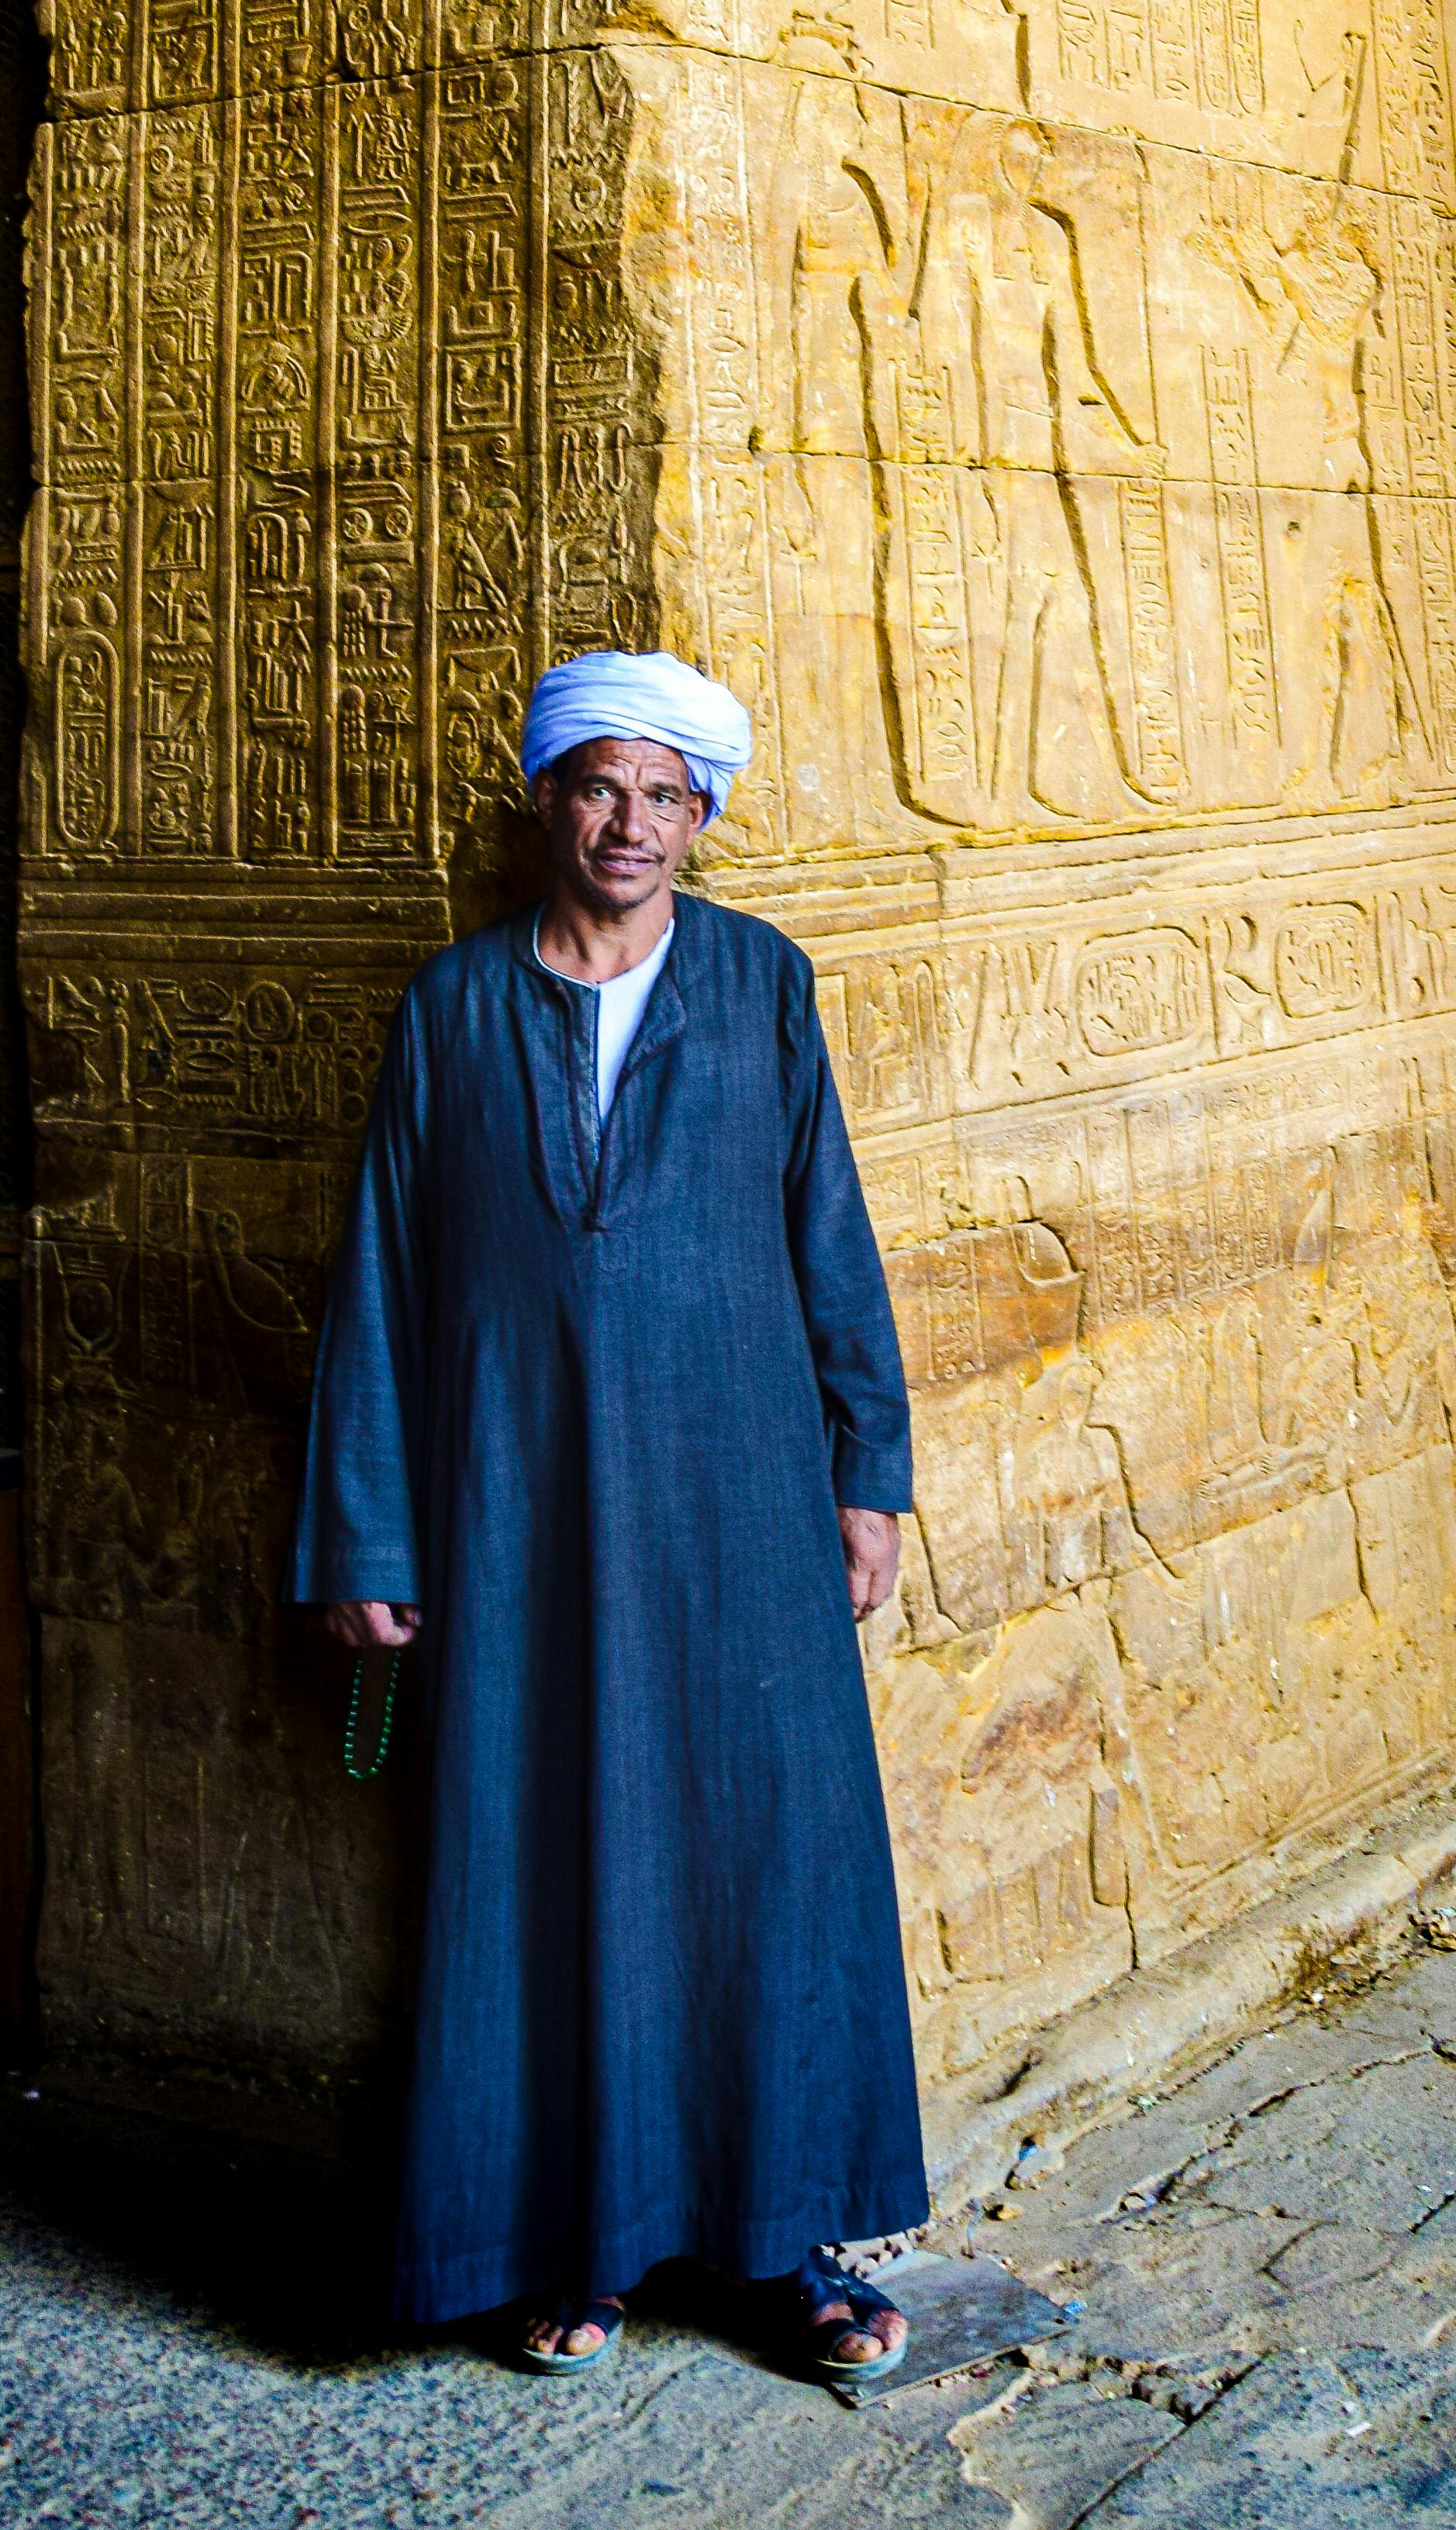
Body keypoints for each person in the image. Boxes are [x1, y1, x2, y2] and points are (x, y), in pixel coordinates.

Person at [288, 648, 928, 2381]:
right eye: (597, 787)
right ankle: (572, 2247)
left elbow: (830, 1246)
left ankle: (782, 2247)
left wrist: (867, 1470)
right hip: (519, 1515)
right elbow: (383, 1288)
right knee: (541, 1862)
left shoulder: (764, 987)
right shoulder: (451, 1008)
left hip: (738, 1516)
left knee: (759, 1863)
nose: (628, 822)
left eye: (663, 795)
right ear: (545, 804)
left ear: (702, 819)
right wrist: (369, 1536)